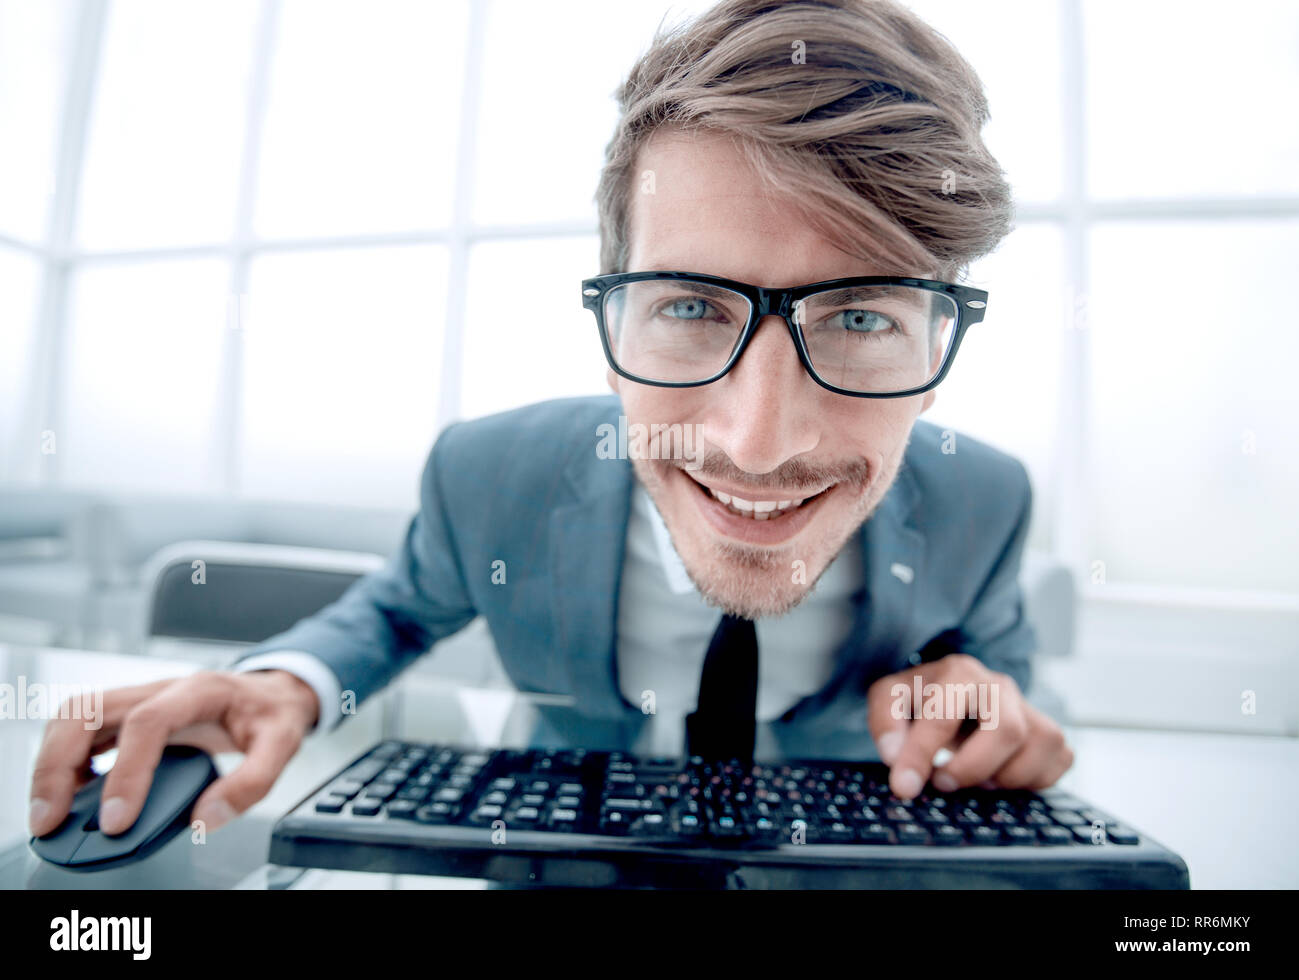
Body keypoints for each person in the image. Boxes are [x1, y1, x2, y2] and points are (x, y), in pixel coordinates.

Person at [29, 0, 1072, 842]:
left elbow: (1000, 672)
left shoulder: (985, 501)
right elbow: (394, 614)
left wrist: (991, 706)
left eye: (859, 317)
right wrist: (286, 686)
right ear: (609, 326)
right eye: (690, 307)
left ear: (935, 355)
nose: (757, 444)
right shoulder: (490, 474)